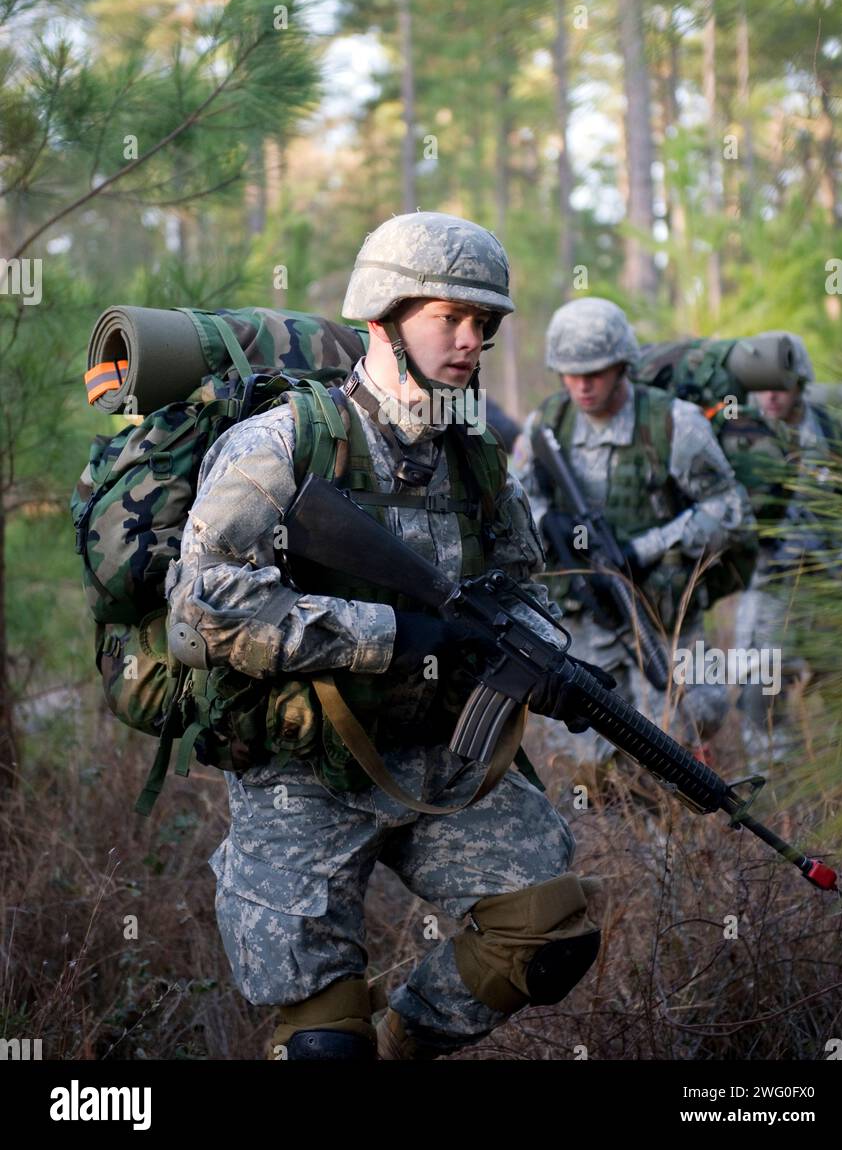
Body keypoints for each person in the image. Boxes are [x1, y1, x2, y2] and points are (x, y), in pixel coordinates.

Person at [165, 213, 610, 1061]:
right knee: (323, 1047)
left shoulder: (477, 462)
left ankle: (401, 1040)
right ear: (383, 316)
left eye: (485, 325)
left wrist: (546, 667)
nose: (471, 341)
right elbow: (202, 609)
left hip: (439, 754)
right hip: (304, 770)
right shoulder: (283, 444)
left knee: (550, 936)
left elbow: (515, 594)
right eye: (450, 318)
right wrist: (391, 634)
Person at [513, 297, 754, 786]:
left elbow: (730, 510)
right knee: (588, 758)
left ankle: (679, 843)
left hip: (659, 613)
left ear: (623, 364)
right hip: (582, 617)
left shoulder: (673, 423)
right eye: (570, 372)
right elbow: (513, 505)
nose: (582, 385)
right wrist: (548, 523)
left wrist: (646, 548)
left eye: (596, 372)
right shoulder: (547, 425)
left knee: (686, 727)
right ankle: (620, 833)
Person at [734, 332, 842, 765]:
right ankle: (771, 779)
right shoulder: (742, 434)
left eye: (780, 387)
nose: (770, 397)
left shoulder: (835, 433)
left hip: (831, 580)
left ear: (799, 385)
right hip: (771, 580)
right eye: (762, 388)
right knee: (759, 686)